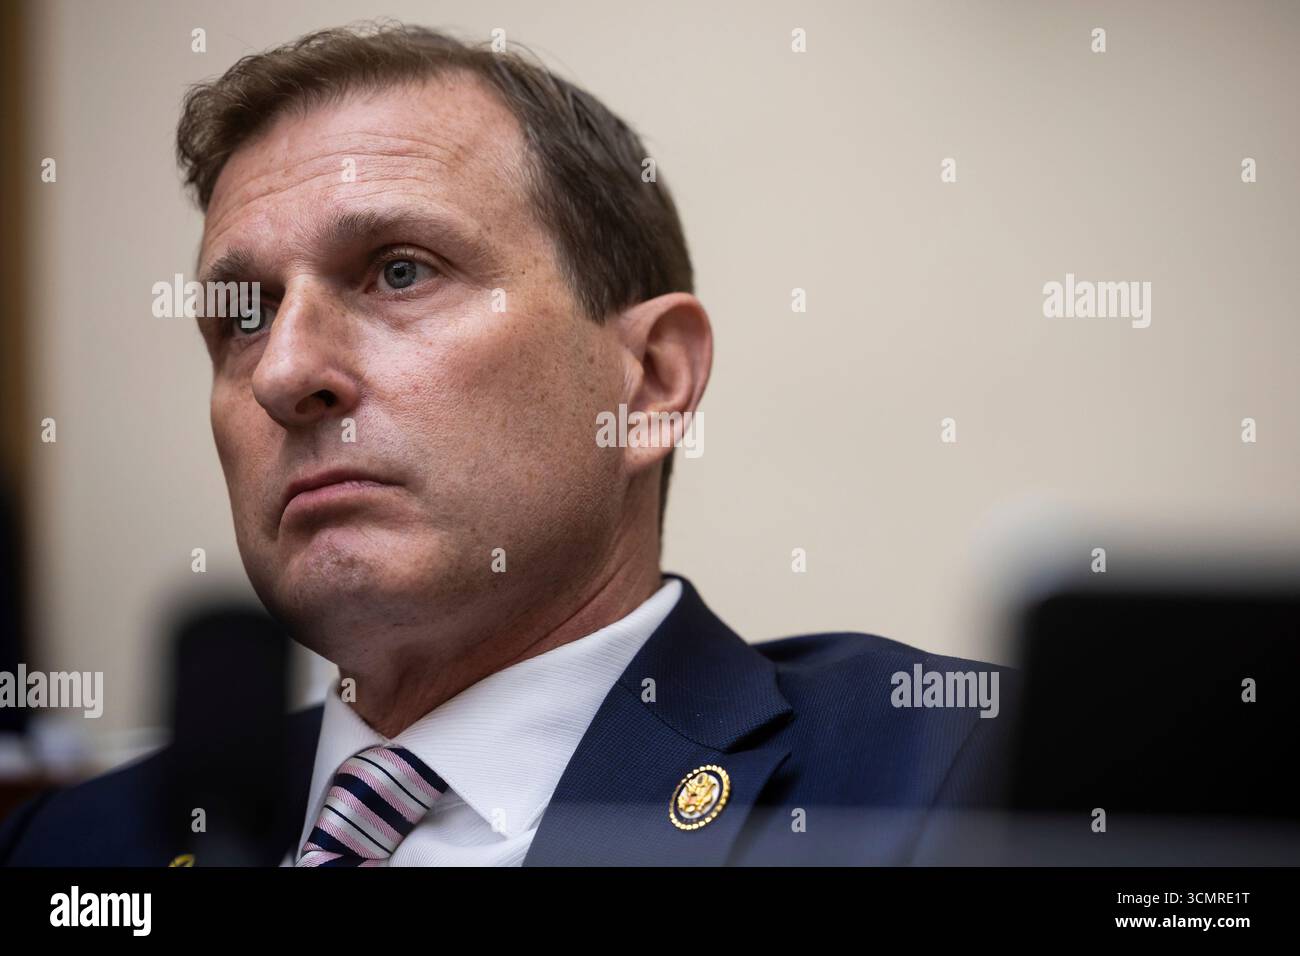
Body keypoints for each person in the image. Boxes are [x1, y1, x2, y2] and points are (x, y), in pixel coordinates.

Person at [0, 23, 1015, 866]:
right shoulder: (75, 847)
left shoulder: (951, 780)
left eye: (399, 272)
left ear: (653, 378)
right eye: (246, 313)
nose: (283, 371)